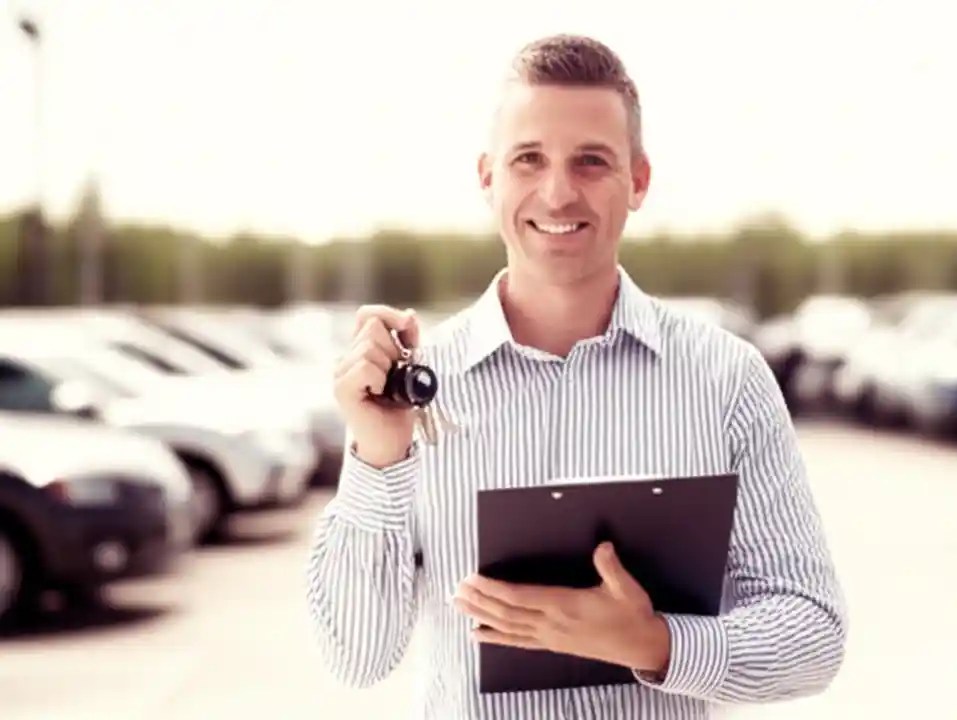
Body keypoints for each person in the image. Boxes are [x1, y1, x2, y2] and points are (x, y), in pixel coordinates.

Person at [306, 33, 847, 719]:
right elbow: (354, 657)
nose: (558, 193)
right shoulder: (408, 392)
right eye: (528, 159)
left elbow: (813, 633)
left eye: (591, 162)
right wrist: (378, 459)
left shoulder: (725, 379)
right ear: (487, 178)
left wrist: (657, 643)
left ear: (639, 180)